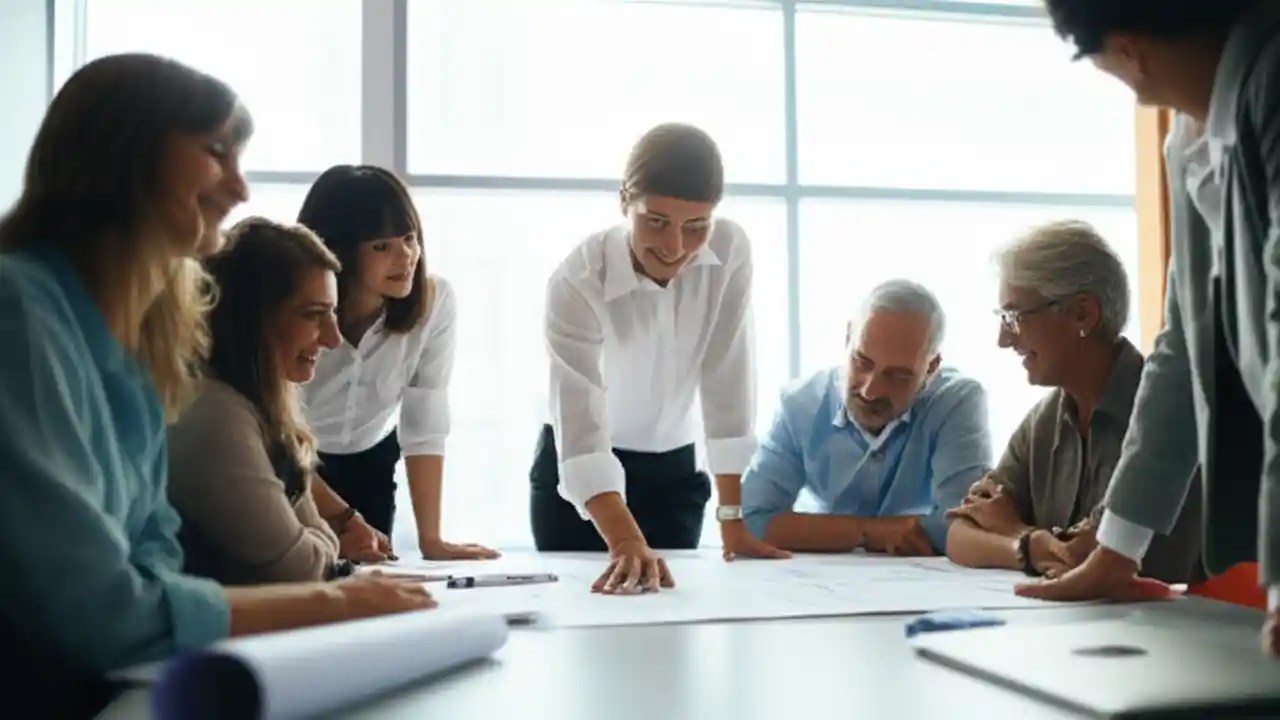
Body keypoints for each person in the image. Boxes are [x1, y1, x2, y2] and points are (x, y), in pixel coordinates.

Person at [0, 53, 431, 716]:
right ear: (127, 154)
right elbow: (91, 604)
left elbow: (154, 550)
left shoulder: (137, 341)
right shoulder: (19, 313)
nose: (240, 189)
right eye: (216, 152)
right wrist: (333, 602)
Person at [1019, 0, 1280, 655]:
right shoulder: (1188, 139)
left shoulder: (1270, 84)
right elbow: (1185, 341)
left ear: (1128, 49)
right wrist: (1117, 549)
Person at [535, 122, 789, 594]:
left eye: (696, 227)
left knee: (672, 631)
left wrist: (732, 519)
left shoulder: (730, 249)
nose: (675, 248)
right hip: (584, 485)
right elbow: (581, 427)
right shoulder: (576, 281)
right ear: (624, 202)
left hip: (673, 476)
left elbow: (726, 376)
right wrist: (624, 539)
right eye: (656, 221)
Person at [944, 221, 1202, 582]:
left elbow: (1096, 557)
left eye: (1014, 317)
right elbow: (959, 533)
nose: (1004, 339)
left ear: (1082, 314)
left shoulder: (1163, 416)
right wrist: (1027, 545)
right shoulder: (1044, 421)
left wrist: (1014, 531)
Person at [170, 217, 399, 584]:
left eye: (333, 314)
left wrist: (320, 541)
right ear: (249, 320)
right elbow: (299, 567)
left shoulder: (263, 412)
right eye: (313, 315)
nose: (333, 338)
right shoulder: (216, 415)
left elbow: (311, 546)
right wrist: (326, 541)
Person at [296, 165, 497, 561]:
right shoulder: (292, 308)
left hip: (370, 463)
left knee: (371, 589)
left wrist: (432, 540)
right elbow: (271, 434)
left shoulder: (434, 302)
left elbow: (424, 424)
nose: (405, 256)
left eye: (410, 239)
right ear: (338, 251)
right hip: (292, 466)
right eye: (381, 246)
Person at [740, 279, 991, 555]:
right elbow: (751, 520)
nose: (871, 391)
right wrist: (873, 532)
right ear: (848, 338)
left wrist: (819, 532)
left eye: (897, 376)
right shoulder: (800, 404)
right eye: (862, 362)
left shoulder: (957, 402)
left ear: (930, 368)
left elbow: (965, 524)